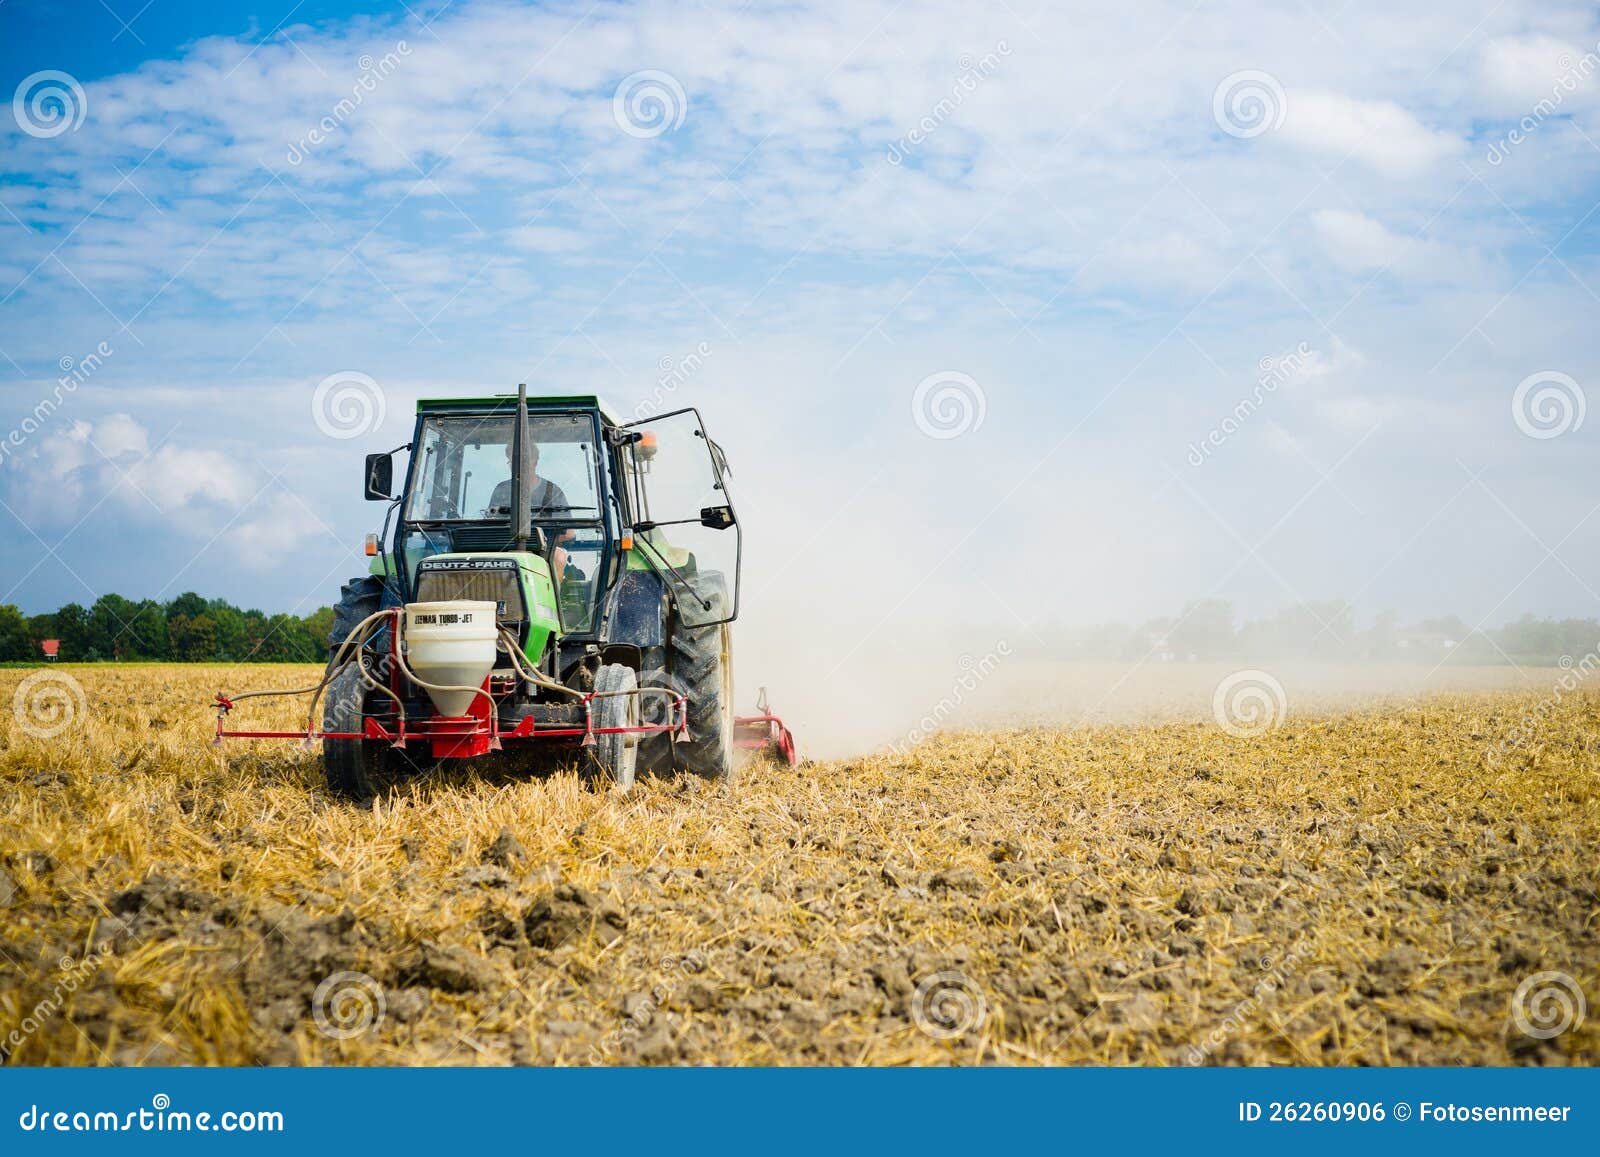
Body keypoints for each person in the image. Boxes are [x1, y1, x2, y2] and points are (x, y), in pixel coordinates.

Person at [486, 443, 574, 572]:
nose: (516, 464)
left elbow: (570, 532)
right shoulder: (501, 490)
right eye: (511, 460)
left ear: (535, 461)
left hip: (544, 550)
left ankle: (553, 592)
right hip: (506, 548)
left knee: (558, 558)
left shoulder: (552, 491)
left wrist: (537, 541)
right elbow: (490, 525)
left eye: (522, 459)